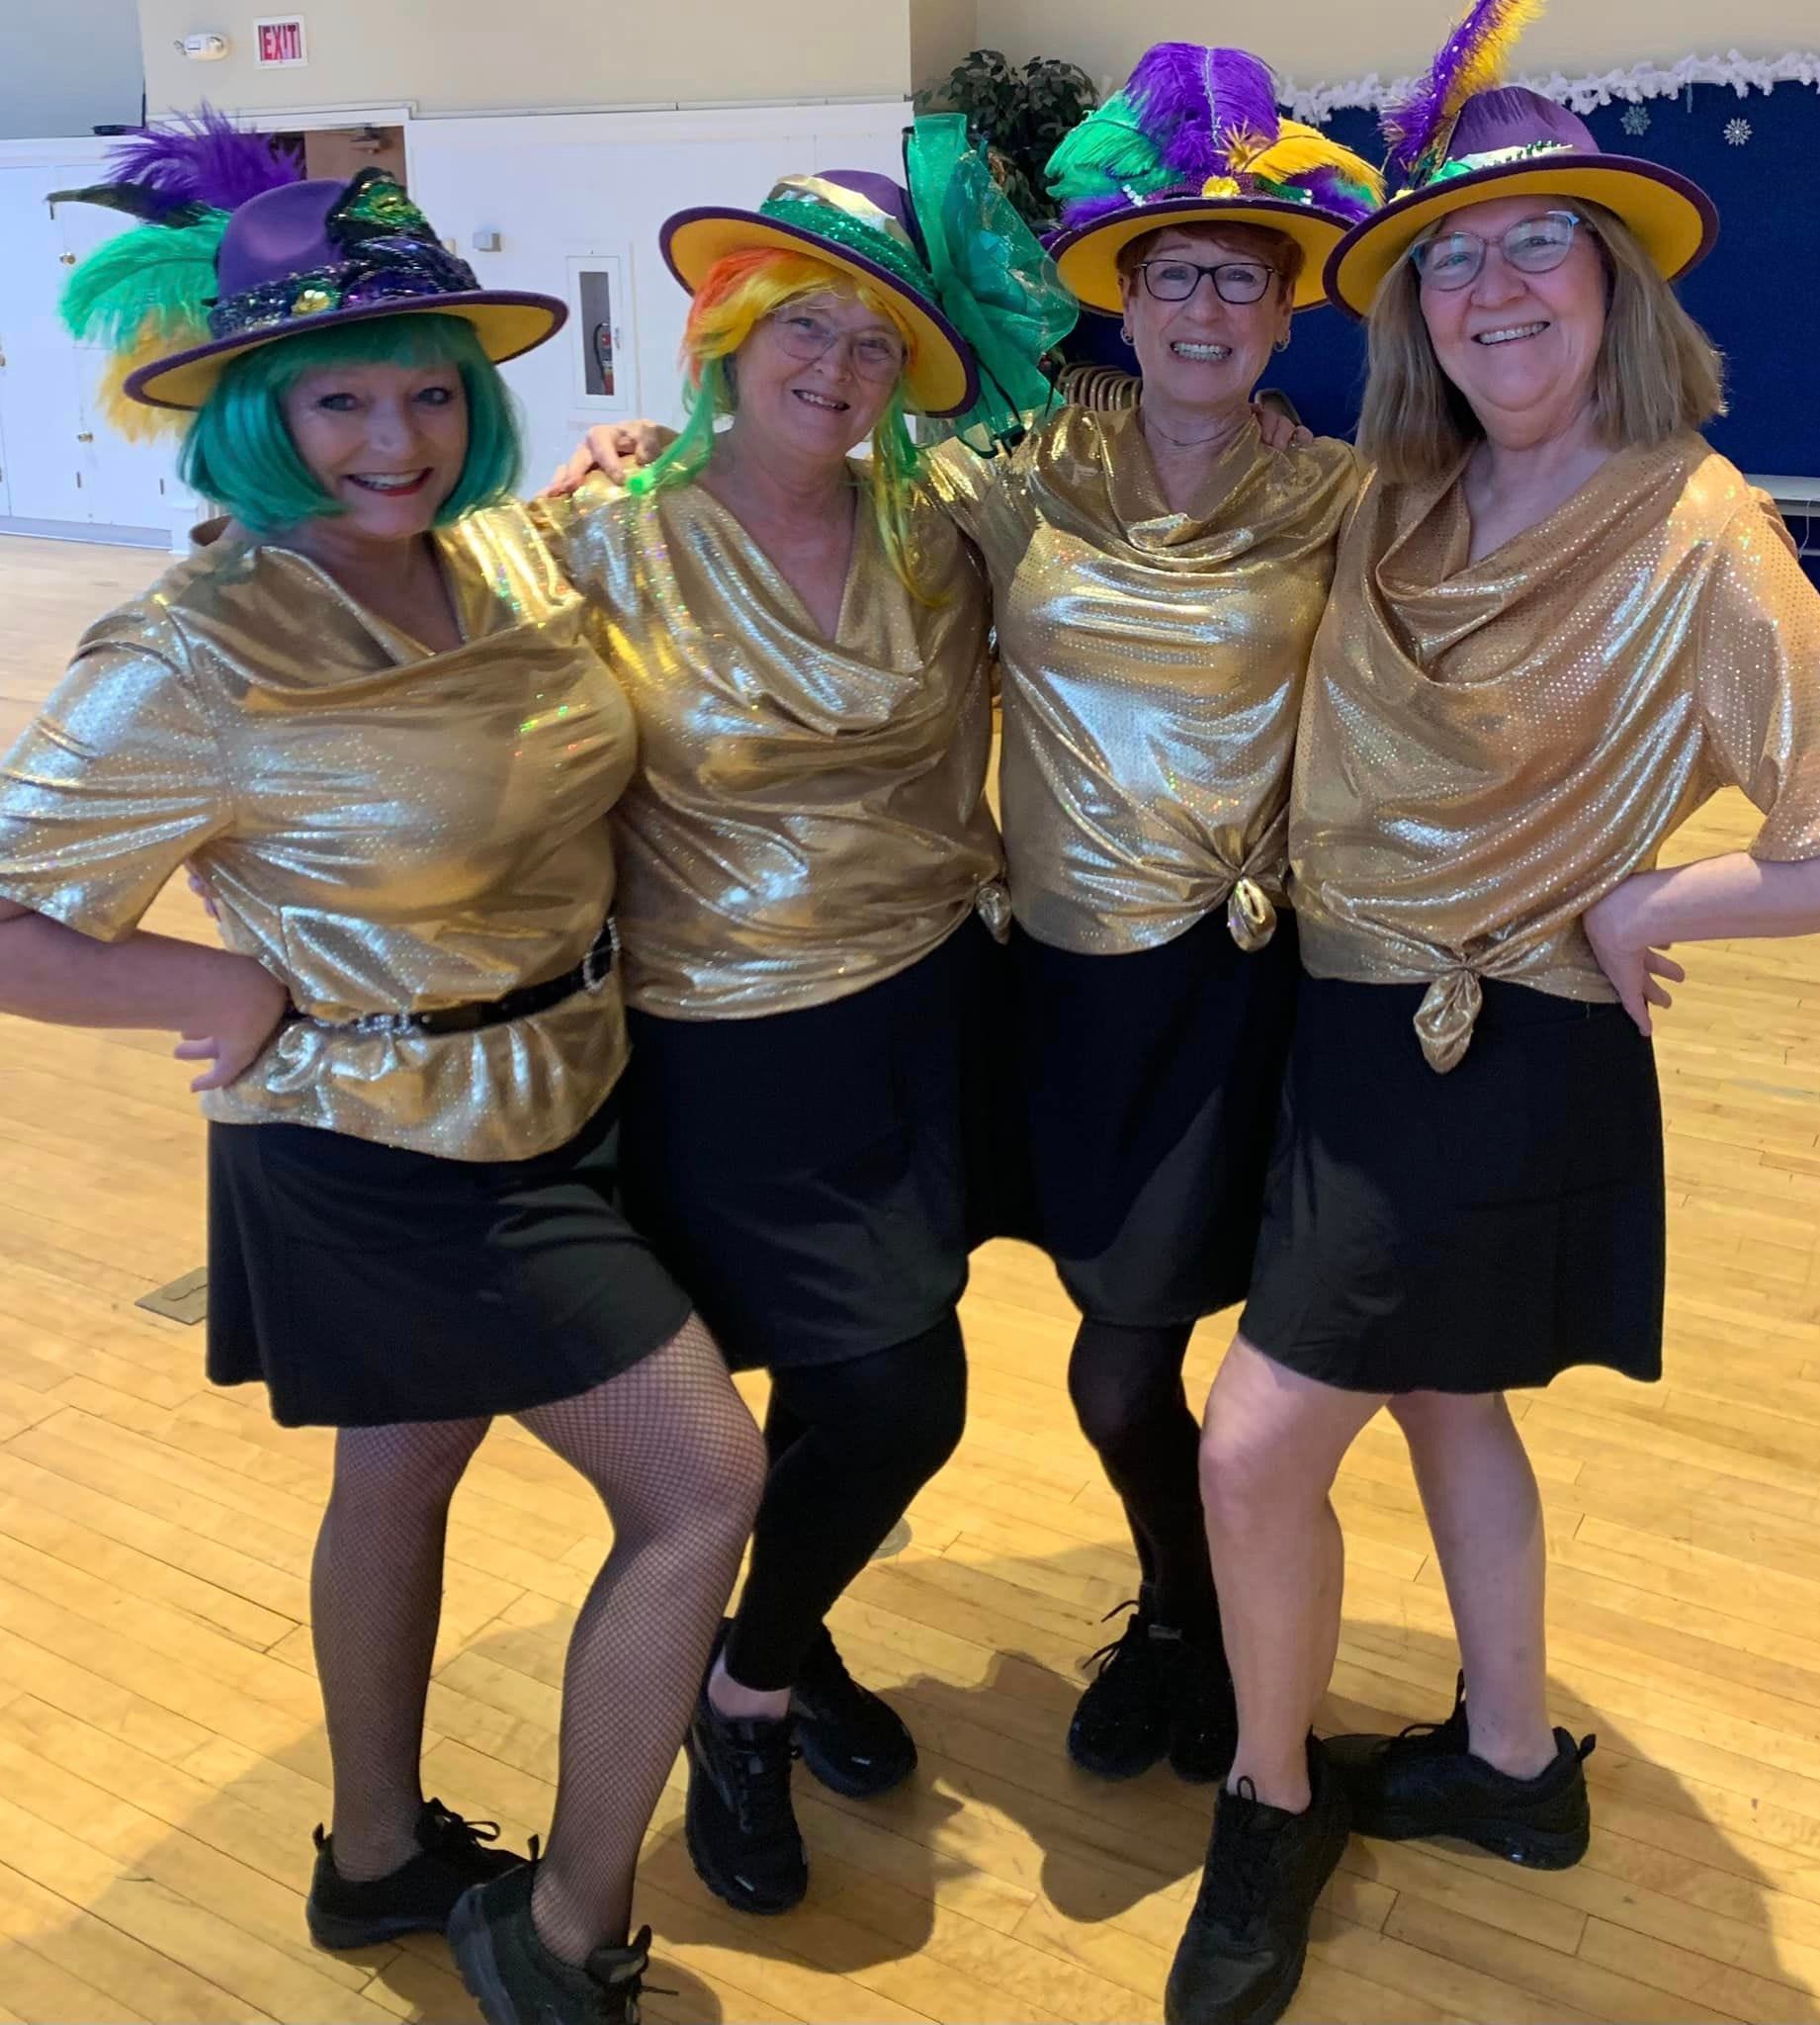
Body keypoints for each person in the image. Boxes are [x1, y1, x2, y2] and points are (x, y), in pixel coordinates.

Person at [1166, 13, 1820, 2022]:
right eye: (1450, 256)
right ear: (1414, 309)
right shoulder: (1402, 499)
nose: (1489, 284)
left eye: (1534, 246)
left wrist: (1650, 894)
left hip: (1486, 1052)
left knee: (1255, 1449)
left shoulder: (1694, 524)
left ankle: (1266, 1804)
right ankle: (1514, 1767)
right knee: (1447, 1394)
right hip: (1341, 1029)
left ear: (1610, 283)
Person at [0, 124, 765, 2025]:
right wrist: (211, 986)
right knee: (699, 1488)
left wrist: (616, 473)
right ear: (256, 413)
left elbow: (591, 558)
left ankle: (372, 1861)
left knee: (401, 1473)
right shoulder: (192, 651)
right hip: (377, 1145)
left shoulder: (496, 553)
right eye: (336, 398)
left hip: (572, 1090)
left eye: (429, 389)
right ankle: (570, 1937)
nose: (393, 437)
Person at [550, 45, 1381, 1795]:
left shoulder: (1347, 501)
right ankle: (786, 1658)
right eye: (1173, 273)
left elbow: (1474, 679)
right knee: (881, 1363)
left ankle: (1181, 1625)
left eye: (1244, 273)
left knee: (1112, 1368)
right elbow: (783, 498)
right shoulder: (1010, 479)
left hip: (1233, 994)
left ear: (1290, 308)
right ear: (1123, 300)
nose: (1207, 304)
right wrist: (636, 448)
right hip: (1030, 999)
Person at [533, 126, 1076, 1917]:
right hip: (718, 1043)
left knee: (853, 1383)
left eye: (874, 342)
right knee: (888, 1391)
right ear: (726, 333)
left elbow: (1154, 548)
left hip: (930, 1011)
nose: (839, 368)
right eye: (806, 328)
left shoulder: (942, 529)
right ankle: (746, 1689)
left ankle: (776, 1627)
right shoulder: (604, 538)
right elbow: (400, 682)